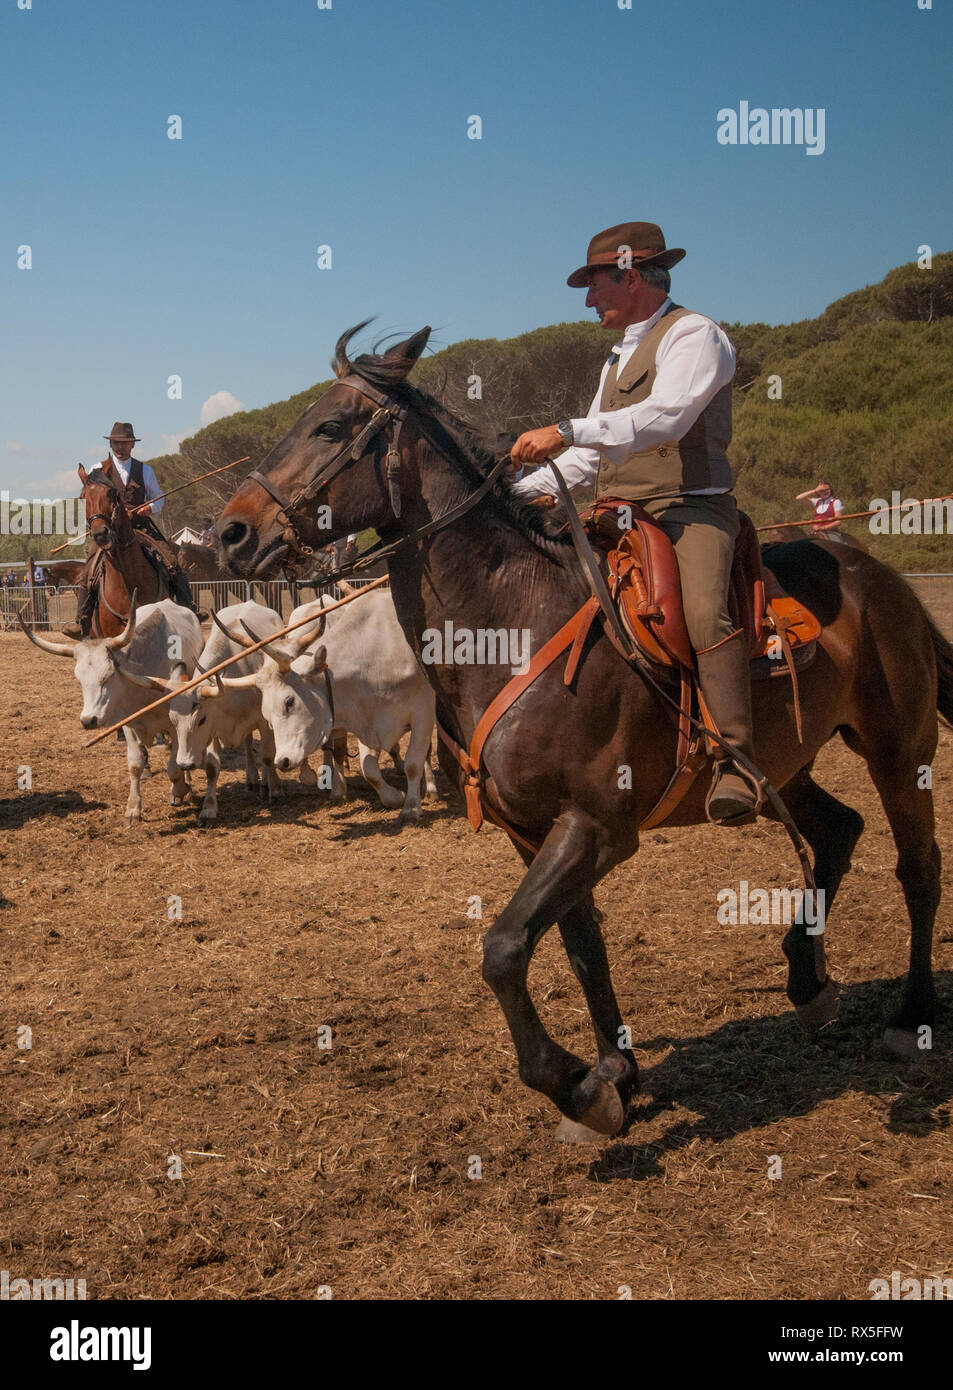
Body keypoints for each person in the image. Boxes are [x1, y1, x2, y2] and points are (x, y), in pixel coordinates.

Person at [509, 220, 758, 825]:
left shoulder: (696, 336)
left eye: (594, 285)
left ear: (630, 275)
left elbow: (666, 419)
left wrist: (567, 428)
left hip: (689, 507)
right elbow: (590, 457)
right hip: (618, 512)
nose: (589, 299)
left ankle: (737, 759)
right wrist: (515, 495)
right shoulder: (616, 357)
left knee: (701, 610)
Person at [63, 422, 197, 638]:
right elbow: (90, 498)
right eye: (116, 443)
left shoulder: (145, 470)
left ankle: (189, 609)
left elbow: (159, 500)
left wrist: (149, 508)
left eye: (124, 443)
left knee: (172, 561)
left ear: (132, 444)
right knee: (87, 571)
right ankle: (82, 621)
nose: (120, 447)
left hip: (140, 529)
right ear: (111, 443)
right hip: (109, 531)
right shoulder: (97, 470)